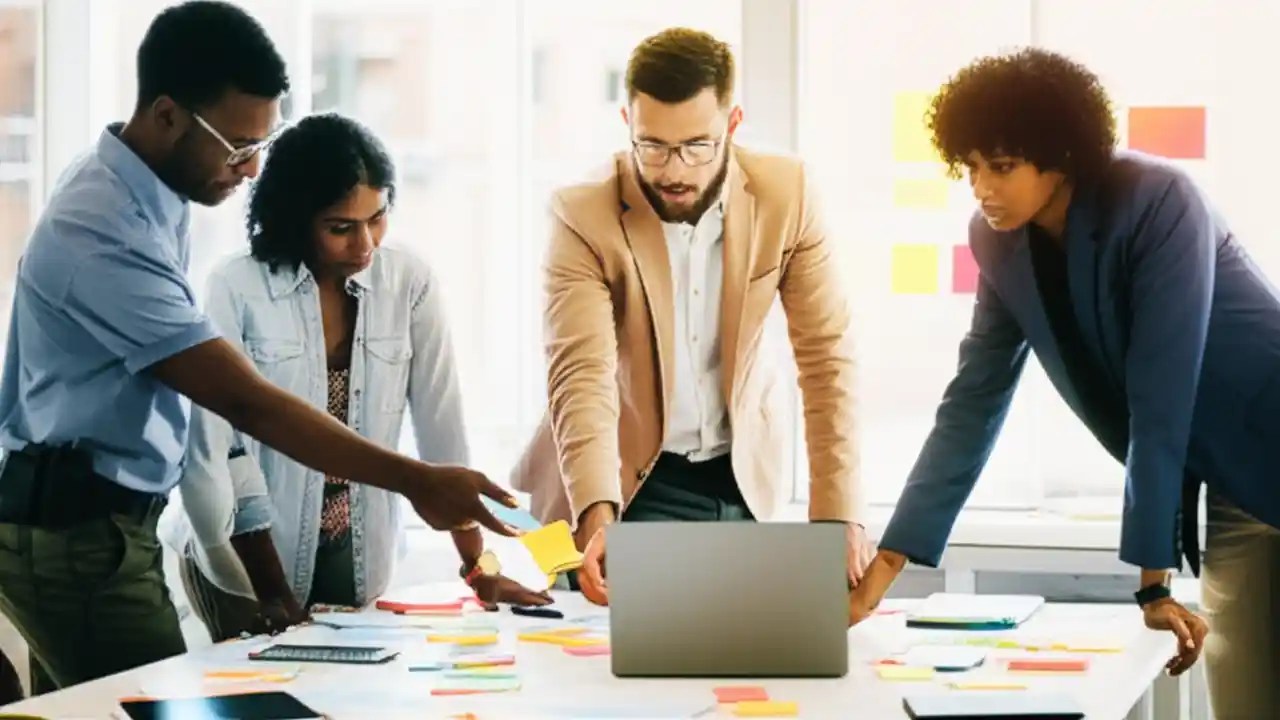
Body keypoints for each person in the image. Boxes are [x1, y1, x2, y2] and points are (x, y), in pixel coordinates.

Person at [0, 1, 515, 694]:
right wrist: (417, 481)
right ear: (166, 115)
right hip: (80, 537)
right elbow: (244, 407)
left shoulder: (147, 193)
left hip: (102, 529)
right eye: (238, 147)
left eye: (259, 150)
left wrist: (474, 557)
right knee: (151, 706)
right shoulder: (106, 228)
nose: (247, 170)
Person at [847, 48, 1280, 718]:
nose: (982, 187)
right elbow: (972, 402)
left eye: (1002, 166)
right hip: (1234, 494)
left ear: (1060, 155)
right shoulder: (997, 241)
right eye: (970, 167)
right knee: (1247, 702)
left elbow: (1161, 395)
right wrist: (879, 574)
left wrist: (1151, 584)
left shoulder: (1160, 199)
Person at [511, 28, 871, 605]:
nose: (673, 169)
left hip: (741, 481)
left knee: (741, 672)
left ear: (732, 124)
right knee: (616, 676)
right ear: (627, 121)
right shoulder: (582, 212)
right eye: (651, 146)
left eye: (696, 146)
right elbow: (580, 376)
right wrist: (599, 512)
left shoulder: (789, 193)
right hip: (628, 484)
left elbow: (827, 357)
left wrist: (839, 515)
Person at [164, 113, 552, 641]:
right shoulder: (236, 286)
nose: (365, 243)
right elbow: (225, 455)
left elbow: (443, 432)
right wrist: (269, 591)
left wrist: (477, 570)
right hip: (245, 555)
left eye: (378, 217)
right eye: (340, 227)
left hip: (359, 552)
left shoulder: (409, 281)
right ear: (296, 219)